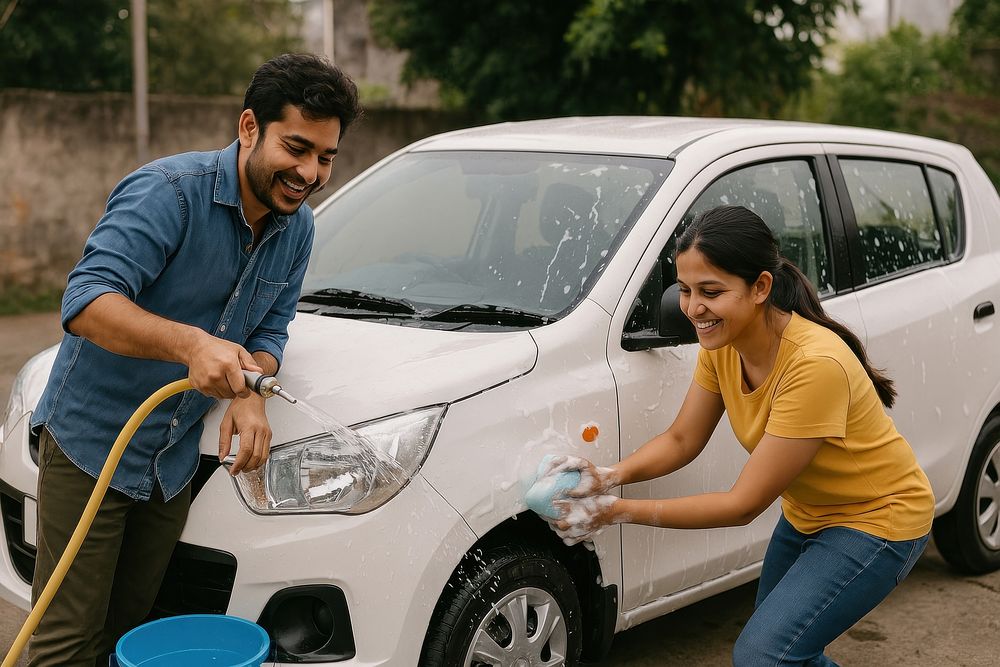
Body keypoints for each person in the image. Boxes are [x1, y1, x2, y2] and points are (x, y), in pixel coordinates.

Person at [27, 53, 361, 666]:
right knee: (66, 644)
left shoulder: (298, 228)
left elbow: (269, 331)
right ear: (249, 128)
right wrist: (192, 345)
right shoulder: (168, 194)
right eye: (296, 147)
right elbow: (85, 302)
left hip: (170, 462)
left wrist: (250, 391)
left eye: (326, 157)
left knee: (130, 636)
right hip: (92, 447)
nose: (310, 172)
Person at [543, 205, 934, 666]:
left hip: (878, 522)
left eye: (711, 291)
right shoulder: (724, 344)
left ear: (760, 288)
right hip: (809, 513)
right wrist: (608, 476)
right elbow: (682, 440)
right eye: (685, 290)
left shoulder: (814, 366)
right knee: (784, 654)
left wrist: (615, 511)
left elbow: (742, 505)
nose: (693, 308)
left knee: (766, 654)